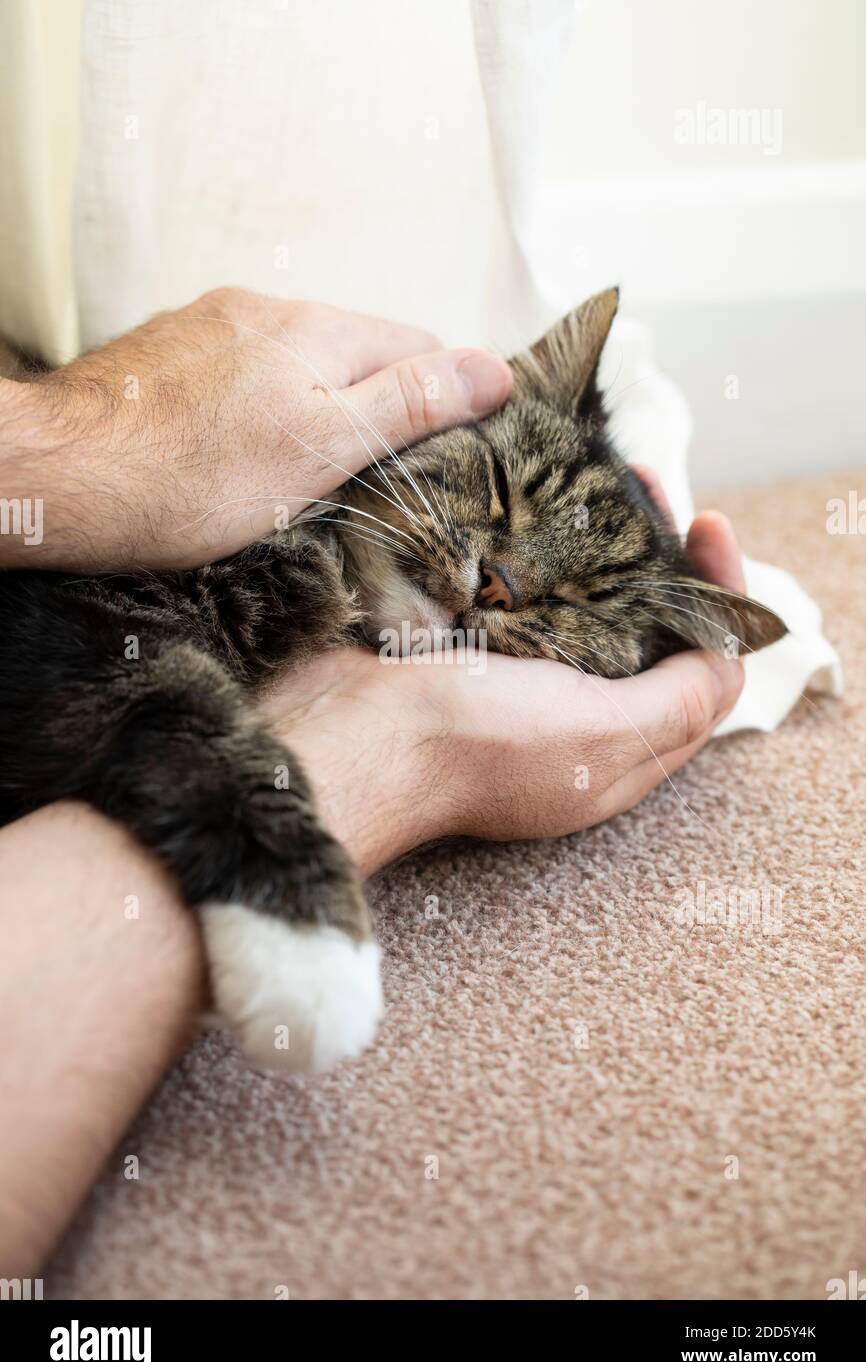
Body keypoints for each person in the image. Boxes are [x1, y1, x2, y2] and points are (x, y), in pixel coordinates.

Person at [0, 290, 746, 1274]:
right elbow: (56, 656)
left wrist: (395, 727)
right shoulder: (278, 524)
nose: (497, 583)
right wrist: (262, 825)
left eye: (573, 599)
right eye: (494, 489)